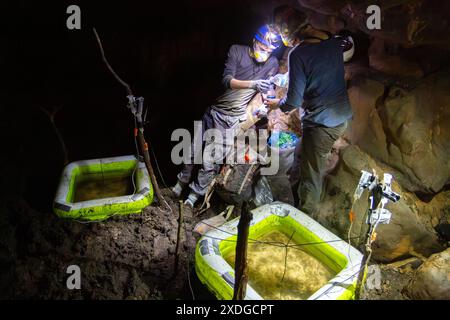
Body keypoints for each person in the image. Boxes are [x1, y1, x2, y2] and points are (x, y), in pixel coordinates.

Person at [172, 25, 281, 207]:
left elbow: (268, 89)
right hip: (214, 110)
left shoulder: (272, 63)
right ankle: (179, 184)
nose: (265, 54)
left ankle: (193, 196)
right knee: (193, 150)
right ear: (254, 42)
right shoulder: (237, 51)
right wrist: (253, 84)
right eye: (262, 49)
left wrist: (265, 103)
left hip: (232, 119)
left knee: (211, 159)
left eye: (269, 51)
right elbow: (227, 80)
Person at [265, 7, 353, 215]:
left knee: (311, 176)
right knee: (305, 158)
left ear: (289, 34)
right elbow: (320, 72)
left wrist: (276, 104)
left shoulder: (298, 54)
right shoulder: (333, 41)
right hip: (341, 118)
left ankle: (304, 218)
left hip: (322, 123)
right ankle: (299, 195)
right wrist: (288, 79)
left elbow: (293, 101)